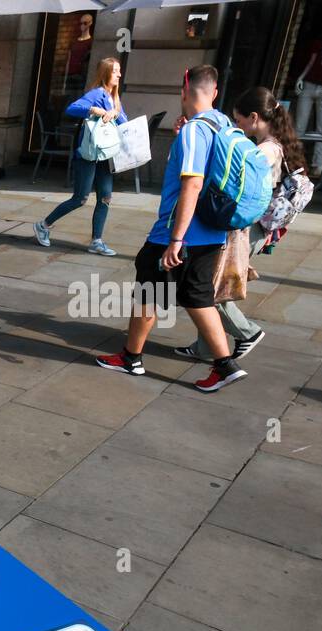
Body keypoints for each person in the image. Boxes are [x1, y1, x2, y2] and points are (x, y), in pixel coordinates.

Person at [94, 65, 246, 393]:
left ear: (183, 91)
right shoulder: (222, 122)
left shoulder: (194, 130)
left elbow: (192, 182)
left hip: (177, 232)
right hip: (213, 229)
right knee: (196, 295)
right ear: (215, 93)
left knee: (149, 287)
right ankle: (224, 365)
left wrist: (176, 239)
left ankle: (131, 358)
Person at [174, 86, 306, 361]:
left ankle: (247, 332)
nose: (237, 125)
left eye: (239, 119)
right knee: (212, 282)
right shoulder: (274, 144)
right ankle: (206, 347)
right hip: (253, 227)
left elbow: (236, 178)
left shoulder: (266, 151)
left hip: (248, 229)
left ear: (254, 117)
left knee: (209, 289)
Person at [33, 57, 128, 256]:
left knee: (105, 197)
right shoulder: (96, 94)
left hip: (106, 155)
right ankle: (43, 225)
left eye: (119, 71)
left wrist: (115, 113)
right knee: (80, 198)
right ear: (106, 73)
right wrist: (92, 109)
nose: (119, 74)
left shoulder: (115, 98)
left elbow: (124, 122)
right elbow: (72, 108)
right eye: (115, 71)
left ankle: (97, 241)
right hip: (89, 155)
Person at [293, 31, 322, 178]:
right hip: (309, 84)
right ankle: (294, 161)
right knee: (300, 126)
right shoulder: (317, 43)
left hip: (320, 87)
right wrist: (300, 77)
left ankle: (317, 166)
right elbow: (310, 62)